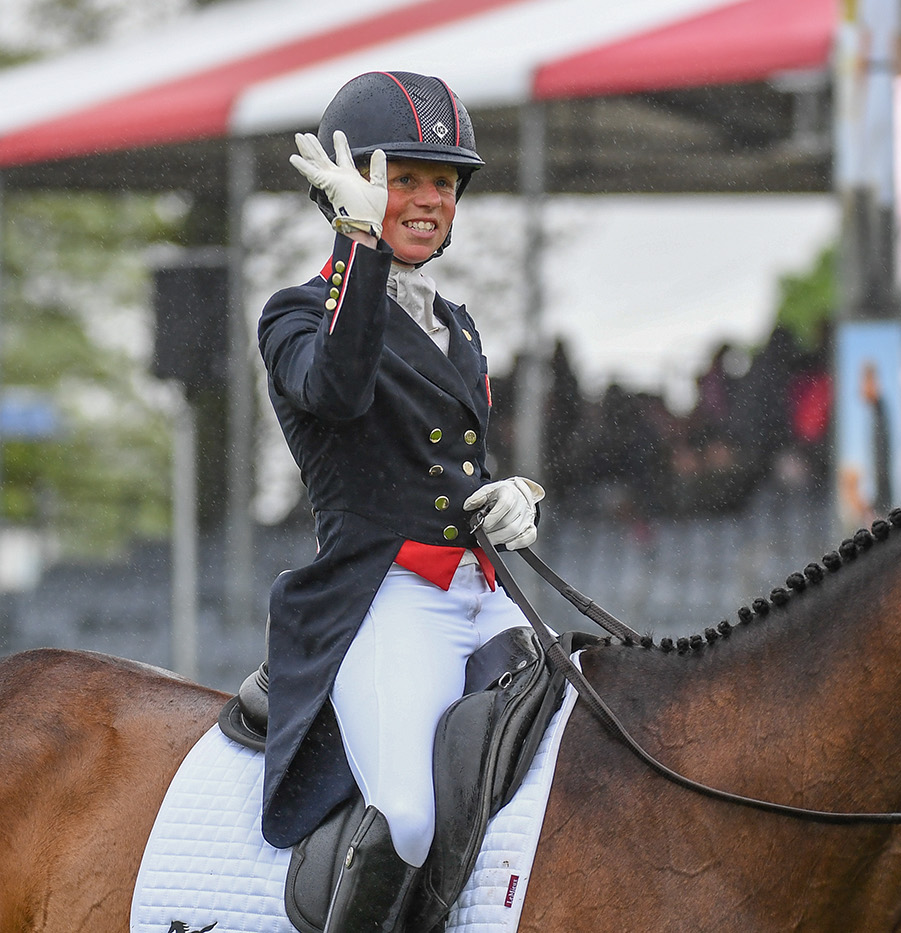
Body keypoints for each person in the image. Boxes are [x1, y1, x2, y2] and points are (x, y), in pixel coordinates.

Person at [256, 71, 545, 933]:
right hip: (386, 597)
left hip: (483, 591)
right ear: (346, 190)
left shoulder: (456, 324)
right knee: (410, 815)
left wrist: (518, 492)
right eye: (403, 179)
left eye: (443, 183)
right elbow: (338, 392)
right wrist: (358, 241)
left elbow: (450, 466)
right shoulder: (295, 314)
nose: (428, 200)